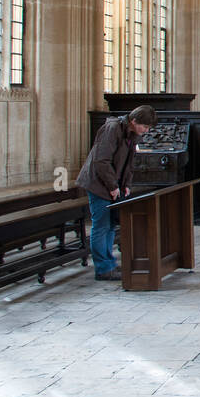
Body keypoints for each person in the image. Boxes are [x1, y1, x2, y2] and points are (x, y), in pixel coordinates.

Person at [76, 104, 157, 281]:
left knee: (111, 224)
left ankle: (109, 264)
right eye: (144, 126)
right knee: (101, 225)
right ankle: (103, 268)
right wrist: (113, 186)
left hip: (112, 184)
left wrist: (126, 184)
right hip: (98, 183)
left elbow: (129, 162)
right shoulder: (112, 129)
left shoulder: (132, 134)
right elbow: (101, 161)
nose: (146, 130)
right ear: (133, 121)